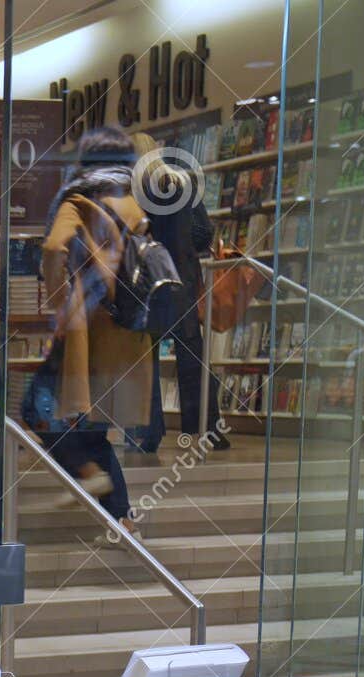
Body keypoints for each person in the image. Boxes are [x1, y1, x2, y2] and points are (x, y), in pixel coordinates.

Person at [39, 125, 154, 534]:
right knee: (93, 427)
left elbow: (53, 247)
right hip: (127, 331)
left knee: (36, 407)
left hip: (86, 328)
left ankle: (89, 475)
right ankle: (119, 518)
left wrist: (59, 300)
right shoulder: (135, 204)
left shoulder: (78, 199)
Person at [133, 132, 227, 451]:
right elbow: (204, 233)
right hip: (182, 278)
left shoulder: (134, 192)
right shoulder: (181, 184)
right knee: (191, 355)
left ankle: (149, 432)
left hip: (148, 280)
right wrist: (186, 246)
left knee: (145, 357)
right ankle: (207, 428)